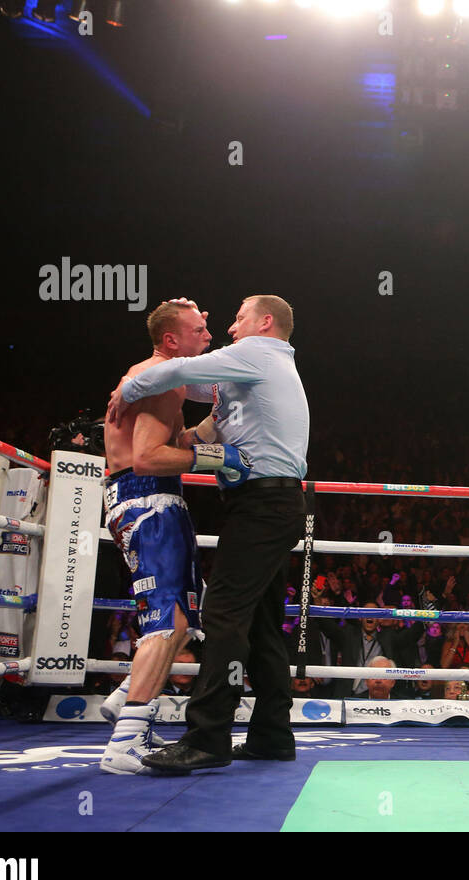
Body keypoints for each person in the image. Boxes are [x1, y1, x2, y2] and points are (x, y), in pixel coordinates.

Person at [107, 294, 309, 772]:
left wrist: (128, 389)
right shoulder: (246, 377)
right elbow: (202, 409)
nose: (230, 329)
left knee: (222, 614)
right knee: (261, 626)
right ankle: (272, 736)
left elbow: (177, 373)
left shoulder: (260, 352)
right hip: (267, 502)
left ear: (264, 322)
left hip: (264, 502)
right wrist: (197, 439)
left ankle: (208, 738)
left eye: (238, 320)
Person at [96, 299, 213, 774]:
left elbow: (170, 442)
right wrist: (218, 461)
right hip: (148, 501)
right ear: (172, 339)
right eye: (199, 329)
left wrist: (213, 428)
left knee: (182, 615)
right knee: (165, 620)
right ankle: (123, 745)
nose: (208, 335)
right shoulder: (163, 379)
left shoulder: (154, 376)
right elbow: (146, 458)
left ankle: (126, 700)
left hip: (147, 501)